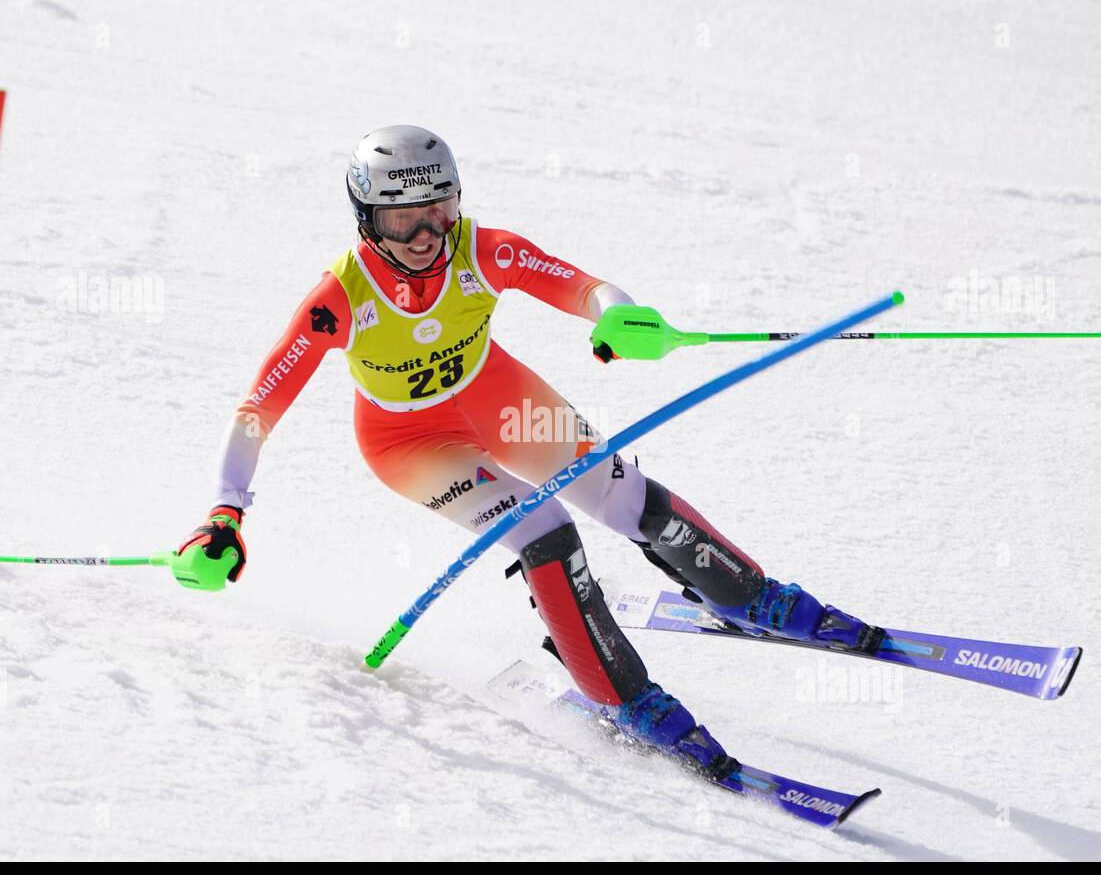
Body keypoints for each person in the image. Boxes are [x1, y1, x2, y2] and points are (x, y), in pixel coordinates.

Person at [177, 125, 879, 781]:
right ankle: (620, 694)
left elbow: (583, 285)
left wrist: (616, 315)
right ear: (367, 219)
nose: (426, 235)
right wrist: (224, 513)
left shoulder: (483, 251)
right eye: (402, 220)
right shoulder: (339, 300)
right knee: (545, 531)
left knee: (620, 492)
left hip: (495, 394)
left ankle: (743, 592)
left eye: (440, 210)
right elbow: (256, 411)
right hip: (408, 441)